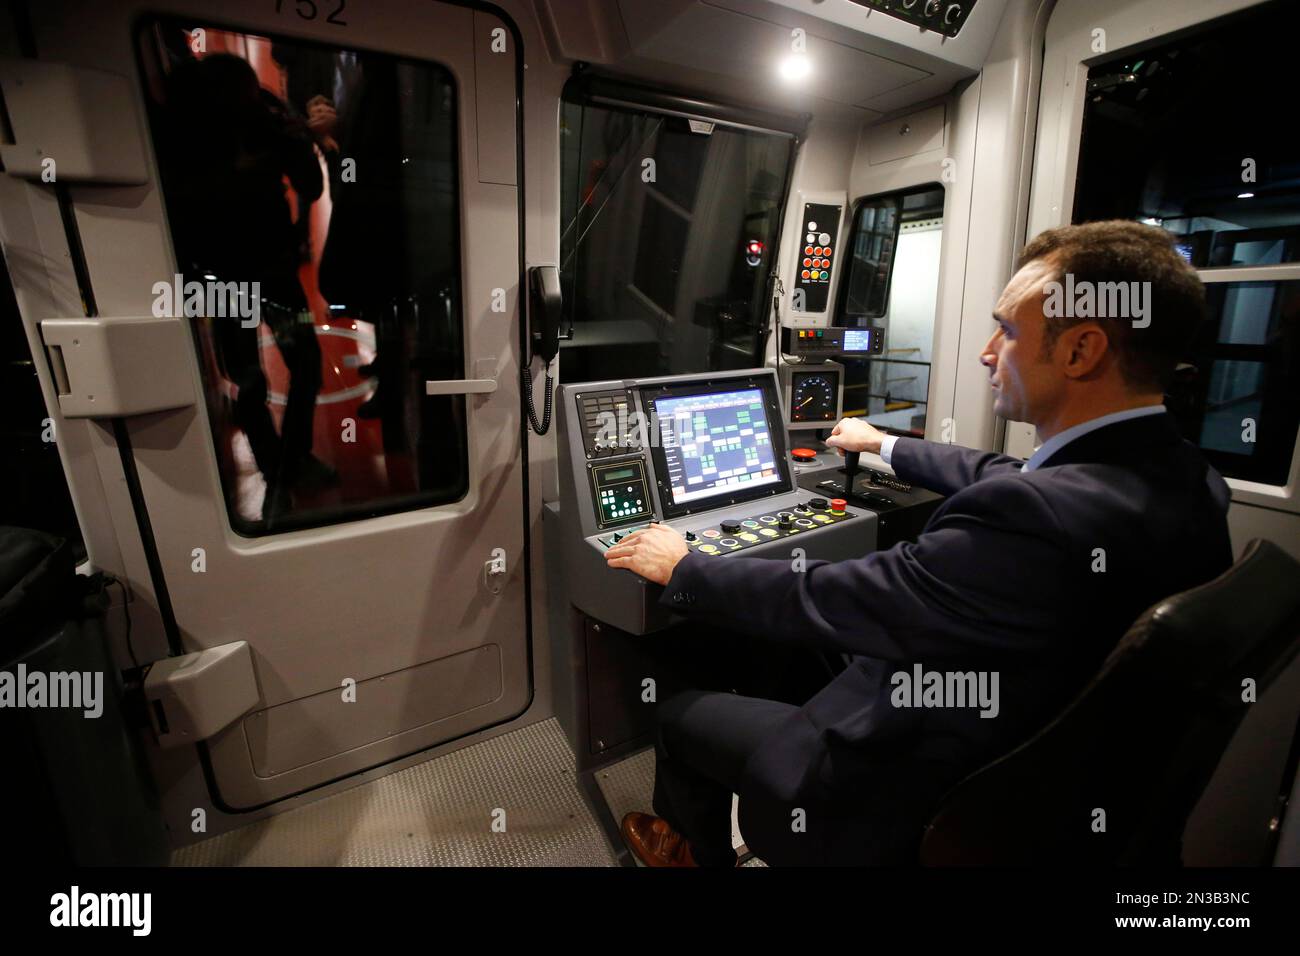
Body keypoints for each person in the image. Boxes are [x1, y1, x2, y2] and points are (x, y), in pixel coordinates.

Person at [603, 220, 1233, 866]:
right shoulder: (1188, 482)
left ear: (1081, 351)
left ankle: (688, 852)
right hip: (1033, 773)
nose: (989, 351)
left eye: (1010, 332)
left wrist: (687, 568)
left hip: (901, 786)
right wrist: (884, 445)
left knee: (679, 716)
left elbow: (838, 599)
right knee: (783, 652)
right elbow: (1005, 474)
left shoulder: (1032, 521)